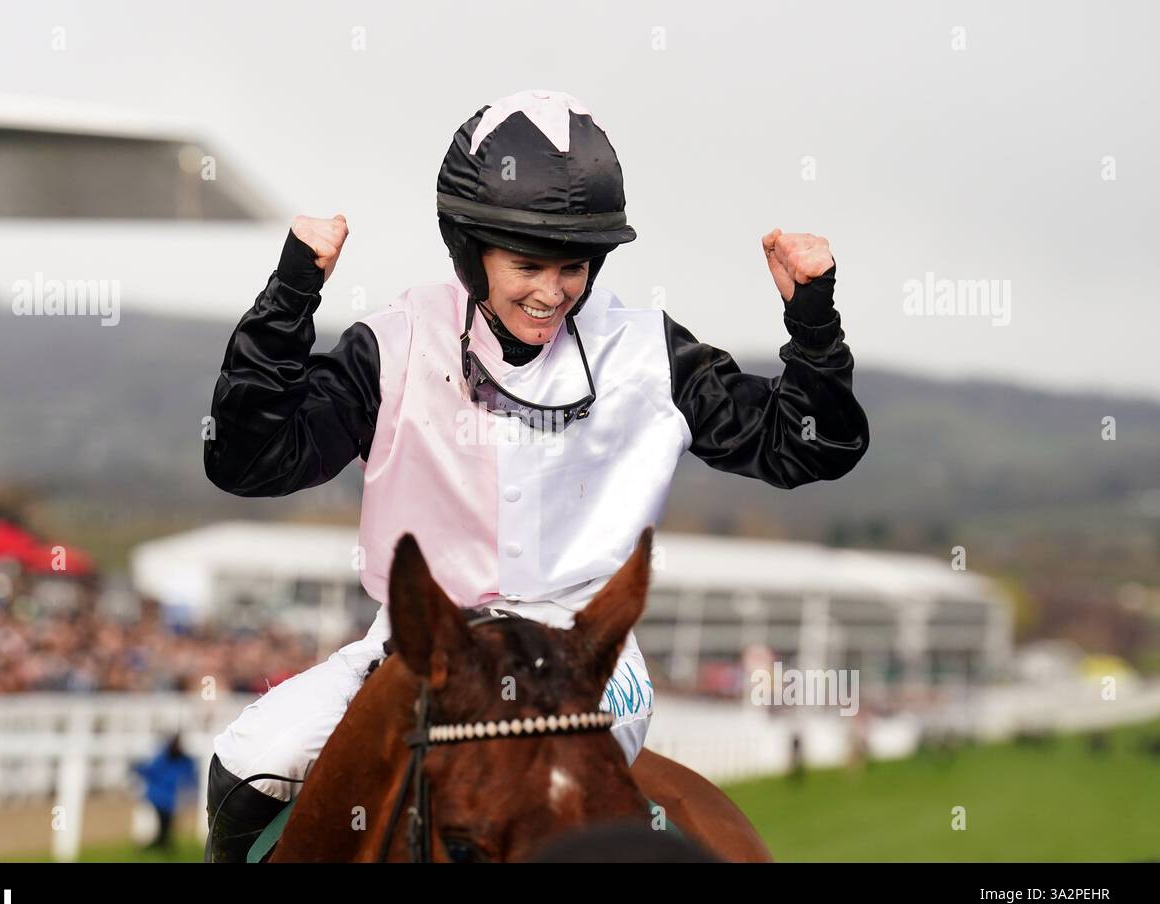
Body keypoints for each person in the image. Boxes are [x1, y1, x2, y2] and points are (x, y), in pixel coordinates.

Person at [202, 88, 870, 862]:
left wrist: (812, 322)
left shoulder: (652, 352)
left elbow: (808, 445)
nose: (552, 293)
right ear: (468, 249)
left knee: (527, 797)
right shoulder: (394, 341)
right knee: (248, 765)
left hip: (585, 658)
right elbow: (249, 459)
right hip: (426, 652)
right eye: (527, 266)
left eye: (573, 268)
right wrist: (292, 291)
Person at [131, 734, 197, 852]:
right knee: (162, 826)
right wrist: (136, 768)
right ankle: (161, 845)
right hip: (158, 798)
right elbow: (149, 770)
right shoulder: (163, 758)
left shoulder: (182, 760)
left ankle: (161, 845)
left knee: (165, 826)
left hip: (167, 799)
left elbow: (191, 774)